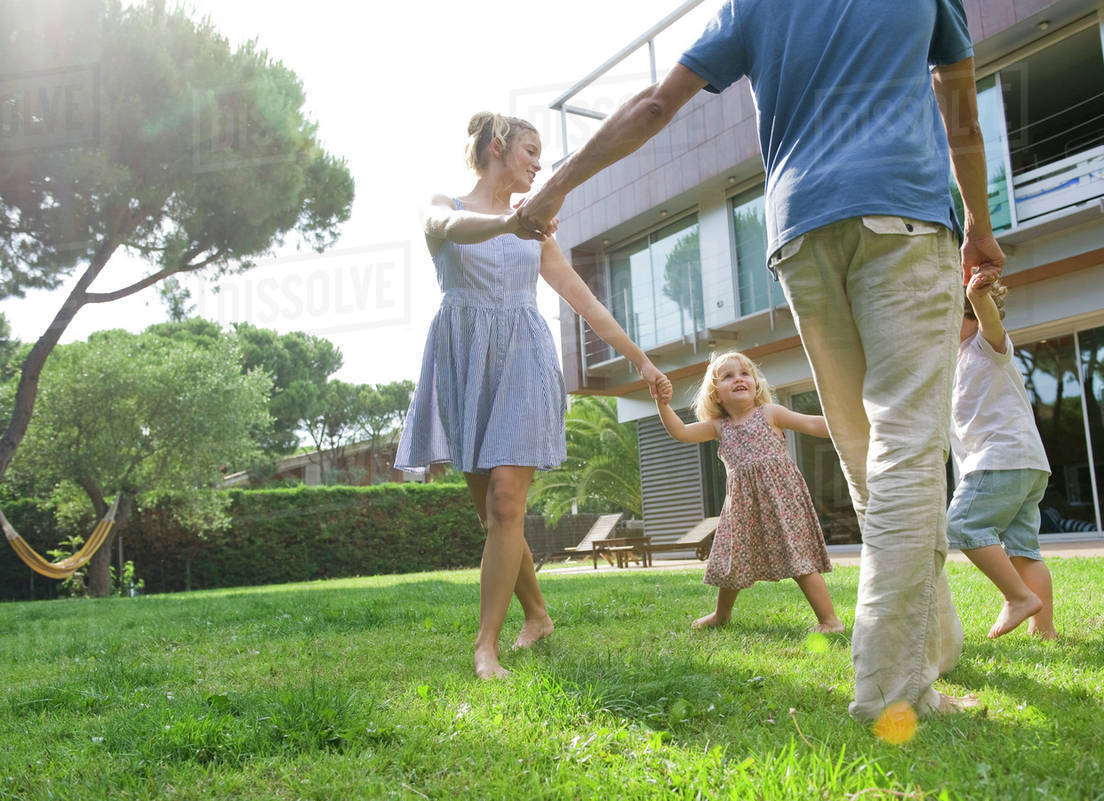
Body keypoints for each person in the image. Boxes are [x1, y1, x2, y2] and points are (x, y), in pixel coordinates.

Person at [517, 1, 1002, 721]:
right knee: (903, 445)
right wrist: (981, 232)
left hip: (801, 231)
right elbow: (959, 114)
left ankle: (932, 638)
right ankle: (892, 688)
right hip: (903, 211)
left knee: (870, 456)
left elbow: (655, 105)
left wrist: (555, 183)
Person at [394, 112, 670, 680]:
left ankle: (486, 645)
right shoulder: (444, 201)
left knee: (505, 505)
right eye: (530, 152)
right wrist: (511, 225)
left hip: (523, 357)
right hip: (463, 360)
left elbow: (582, 298)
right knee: (493, 514)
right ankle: (538, 616)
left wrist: (641, 360)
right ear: (498, 147)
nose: (538, 165)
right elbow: (449, 228)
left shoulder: (537, 227)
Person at [655, 352, 845, 633]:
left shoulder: (770, 413)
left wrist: (849, 424)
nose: (739, 379)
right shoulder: (720, 427)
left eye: (745, 374)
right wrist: (662, 403)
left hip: (781, 500)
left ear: (756, 385)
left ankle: (829, 621)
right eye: (729, 376)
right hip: (742, 507)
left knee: (799, 559)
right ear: (716, 394)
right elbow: (681, 431)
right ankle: (721, 615)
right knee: (733, 561)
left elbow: (812, 424)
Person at [949, 267, 1057, 640]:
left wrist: (978, 298)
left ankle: (1017, 598)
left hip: (1000, 461)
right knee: (1025, 549)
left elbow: (989, 323)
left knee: (962, 526)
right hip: (1023, 463)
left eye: (953, 317)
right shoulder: (953, 364)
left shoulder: (986, 345)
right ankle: (1044, 631)